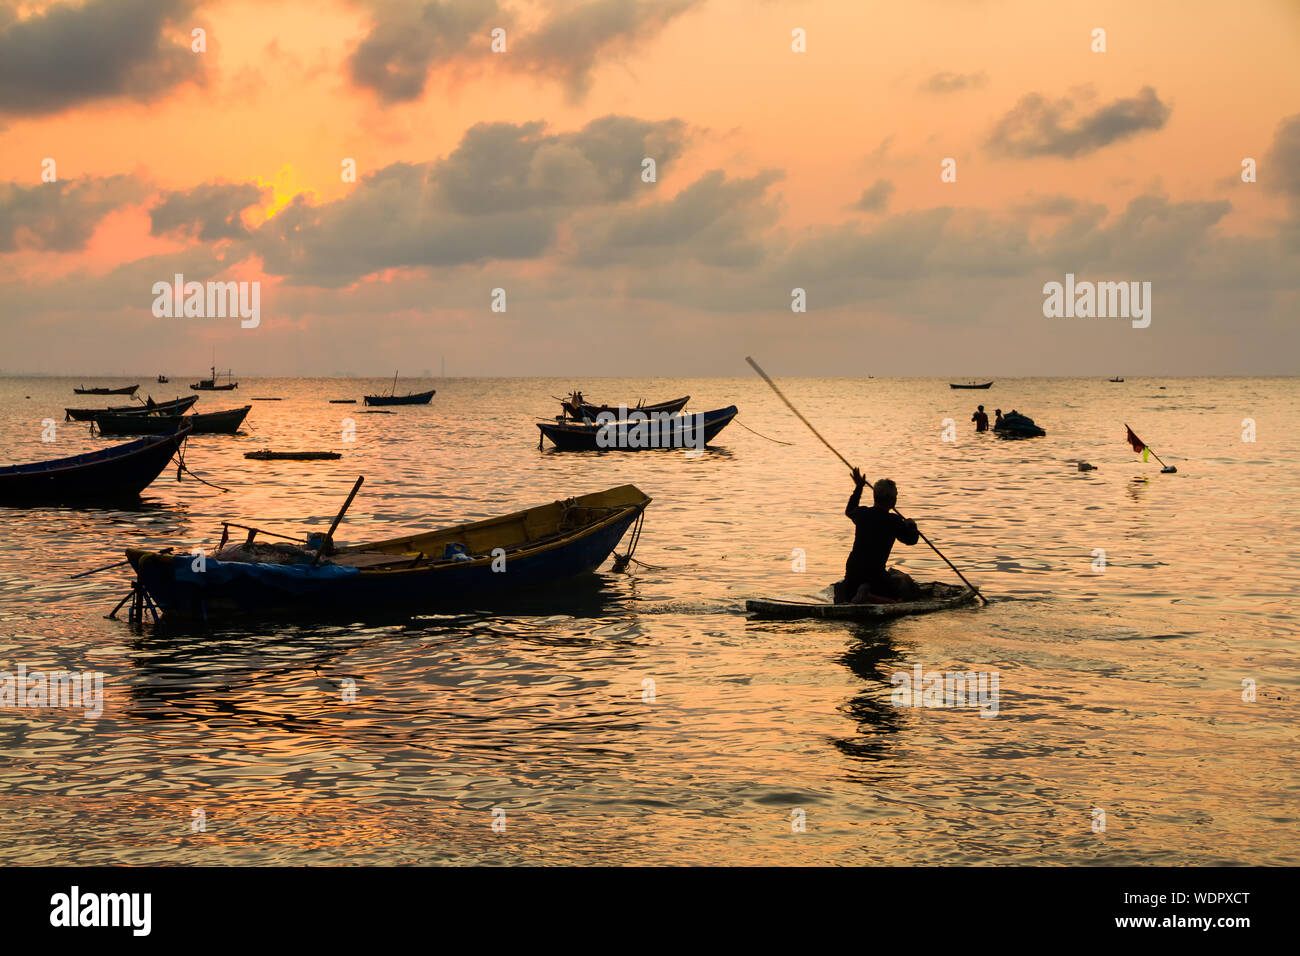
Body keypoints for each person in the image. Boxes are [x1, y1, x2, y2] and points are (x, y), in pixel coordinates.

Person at [837, 469, 921, 603]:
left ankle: (861, 594)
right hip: (874, 574)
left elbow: (849, 510)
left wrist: (859, 487)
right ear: (893, 501)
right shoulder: (894, 521)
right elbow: (911, 540)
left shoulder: (862, 513)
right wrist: (912, 525)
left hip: (853, 571)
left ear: (875, 497)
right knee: (902, 593)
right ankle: (872, 597)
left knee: (852, 590)